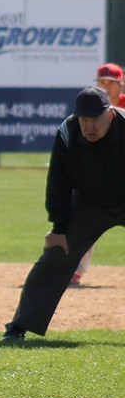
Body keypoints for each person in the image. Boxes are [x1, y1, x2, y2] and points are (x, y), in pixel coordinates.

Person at [1, 86, 125, 341]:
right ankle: (18, 327)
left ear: (110, 115)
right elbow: (58, 179)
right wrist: (59, 228)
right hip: (91, 205)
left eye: (95, 119)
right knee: (56, 255)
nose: (89, 126)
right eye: (84, 120)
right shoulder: (68, 131)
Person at [71, 62, 125, 285]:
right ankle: (73, 270)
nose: (105, 87)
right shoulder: (92, 111)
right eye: (101, 82)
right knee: (81, 218)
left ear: (120, 85)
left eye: (110, 83)